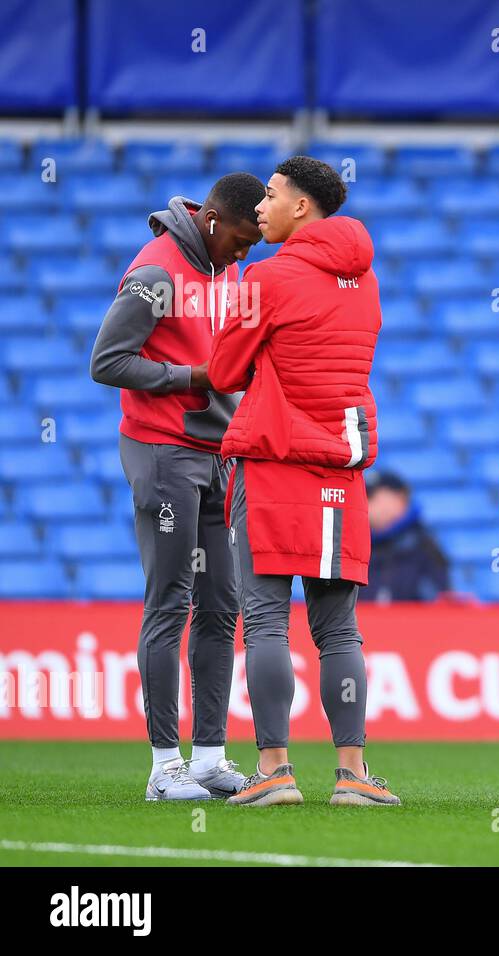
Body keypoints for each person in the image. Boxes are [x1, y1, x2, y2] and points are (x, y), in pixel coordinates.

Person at [206, 156, 398, 808]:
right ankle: (353, 776)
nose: (259, 207)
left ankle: (274, 771)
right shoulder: (366, 279)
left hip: (271, 461)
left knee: (264, 623)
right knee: (339, 629)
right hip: (340, 469)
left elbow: (225, 369)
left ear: (302, 208)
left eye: (270, 195)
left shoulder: (267, 275)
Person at [90, 173, 264, 802]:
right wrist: (192, 377)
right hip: (163, 452)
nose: (246, 254)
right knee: (171, 602)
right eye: (242, 241)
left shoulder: (231, 273)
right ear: (214, 221)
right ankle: (164, 767)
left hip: (220, 455)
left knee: (223, 606)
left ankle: (209, 758)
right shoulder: (157, 272)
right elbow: (106, 360)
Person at [362, 471, 451, 602]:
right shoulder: (355, 546)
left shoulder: (425, 547)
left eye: (373, 497)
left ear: (400, 498)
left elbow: (439, 601)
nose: (367, 504)